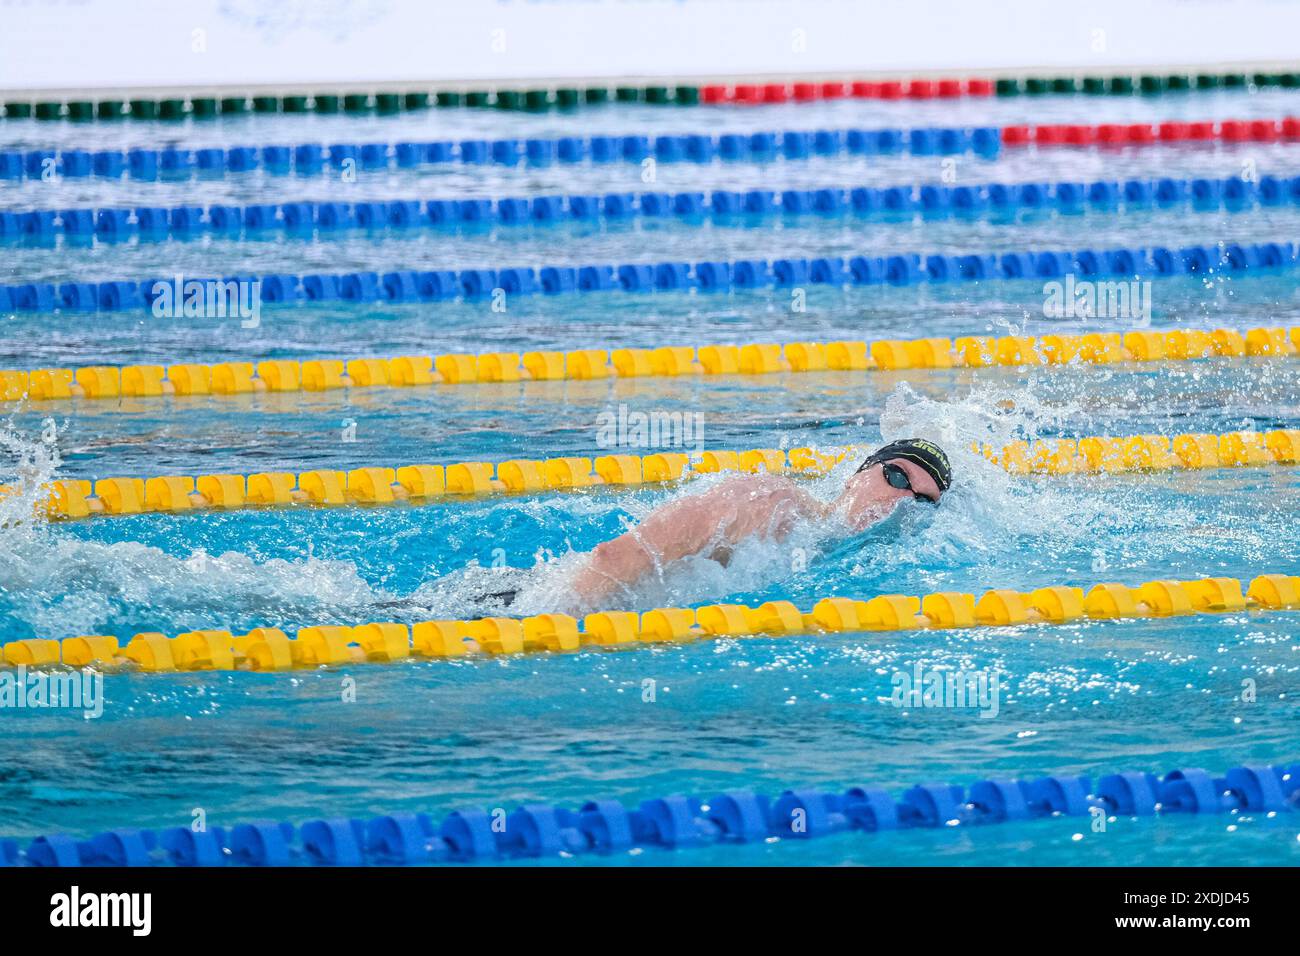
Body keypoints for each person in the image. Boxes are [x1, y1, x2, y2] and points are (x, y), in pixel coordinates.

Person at [562, 438, 952, 606]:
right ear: (857, 474)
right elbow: (612, 558)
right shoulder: (772, 503)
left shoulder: (857, 570)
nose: (902, 500)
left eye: (921, 500)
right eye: (897, 477)